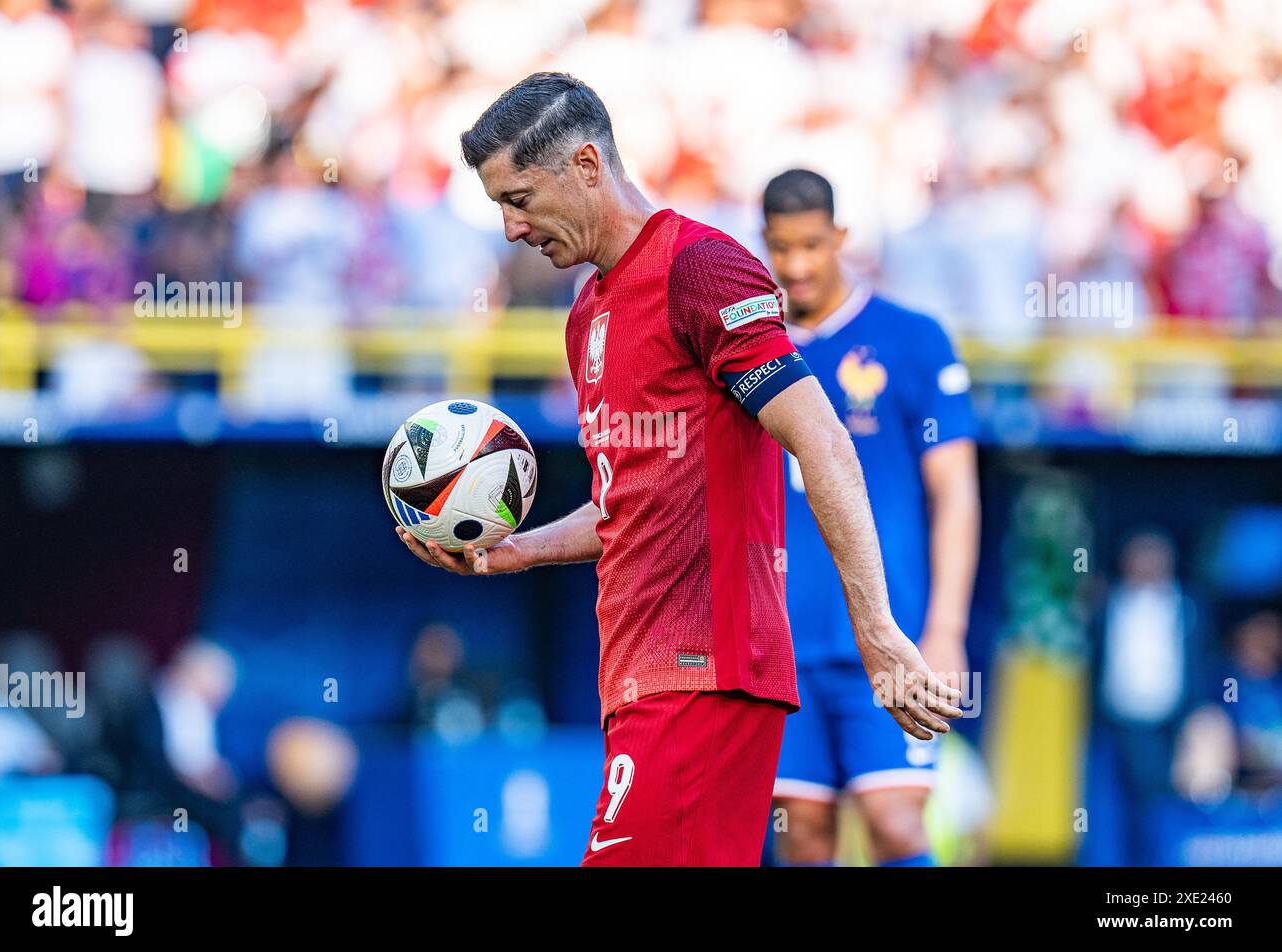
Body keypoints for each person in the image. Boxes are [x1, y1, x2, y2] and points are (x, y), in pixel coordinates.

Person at [397, 73, 960, 867]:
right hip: (639, 683)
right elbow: (626, 500)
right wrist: (518, 549)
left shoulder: (701, 269)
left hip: (706, 674)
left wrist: (878, 630)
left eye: (519, 197)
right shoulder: (587, 314)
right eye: (499, 205)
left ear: (587, 165)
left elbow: (824, 440)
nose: (512, 227)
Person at [762, 169, 980, 866]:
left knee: (894, 824)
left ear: (841, 238)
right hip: (782, 644)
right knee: (802, 837)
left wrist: (944, 631)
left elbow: (956, 494)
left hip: (890, 639)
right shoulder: (749, 350)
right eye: (780, 248)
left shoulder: (910, 338)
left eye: (811, 245)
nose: (796, 266)